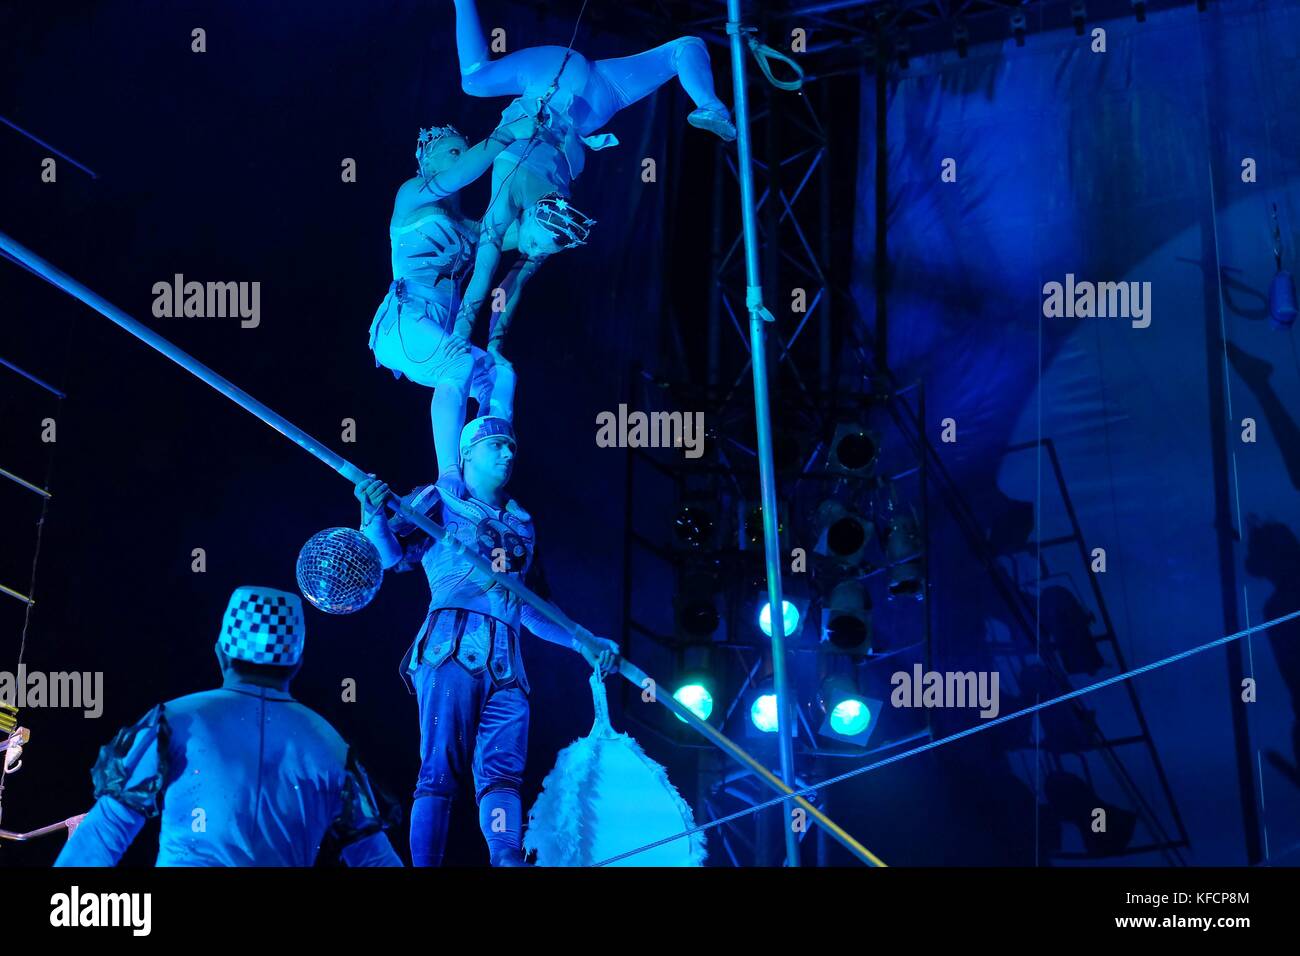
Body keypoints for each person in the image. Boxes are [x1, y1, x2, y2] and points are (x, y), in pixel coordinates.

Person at [355, 415, 619, 866]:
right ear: (466, 455)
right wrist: (373, 514)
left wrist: (581, 640)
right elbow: (390, 558)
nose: (508, 453)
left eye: (511, 447)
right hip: (451, 647)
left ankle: (505, 857)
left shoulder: (523, 524)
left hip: (507, 662)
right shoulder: (438, 501)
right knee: (439, 769)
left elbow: (532, 607)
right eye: (496, 445)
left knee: (503, 777)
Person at [447, 0, 737, 357]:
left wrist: (475, 345)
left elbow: (493, 282)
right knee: (474, 79)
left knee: (685, 48)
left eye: (536, 247)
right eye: (537, 246)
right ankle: (709, 104)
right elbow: (501, 281)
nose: (533, 252)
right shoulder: (541, 219)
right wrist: (478, 344)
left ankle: (710, 103)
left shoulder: (552, 216)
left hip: (588, 102)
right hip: (565, 88)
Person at [54, 587, 402, 867]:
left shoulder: (176, 719)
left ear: (221, 653)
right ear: (297, 664)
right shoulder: (330, 746)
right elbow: (375, 858)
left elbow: (104, 833)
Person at [369, 119, 537, 498]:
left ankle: (480, 464)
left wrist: (545, 222)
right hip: (405, 320)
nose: (465, 157)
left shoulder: (470, 228)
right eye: (454, 151)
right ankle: (447, 475)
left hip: (437, 335)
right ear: (427, 162)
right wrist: (507, 132)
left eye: (466, 149)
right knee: (459, 363)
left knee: (500, 375)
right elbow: (464, 172)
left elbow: (517, 235)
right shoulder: (412, 195)